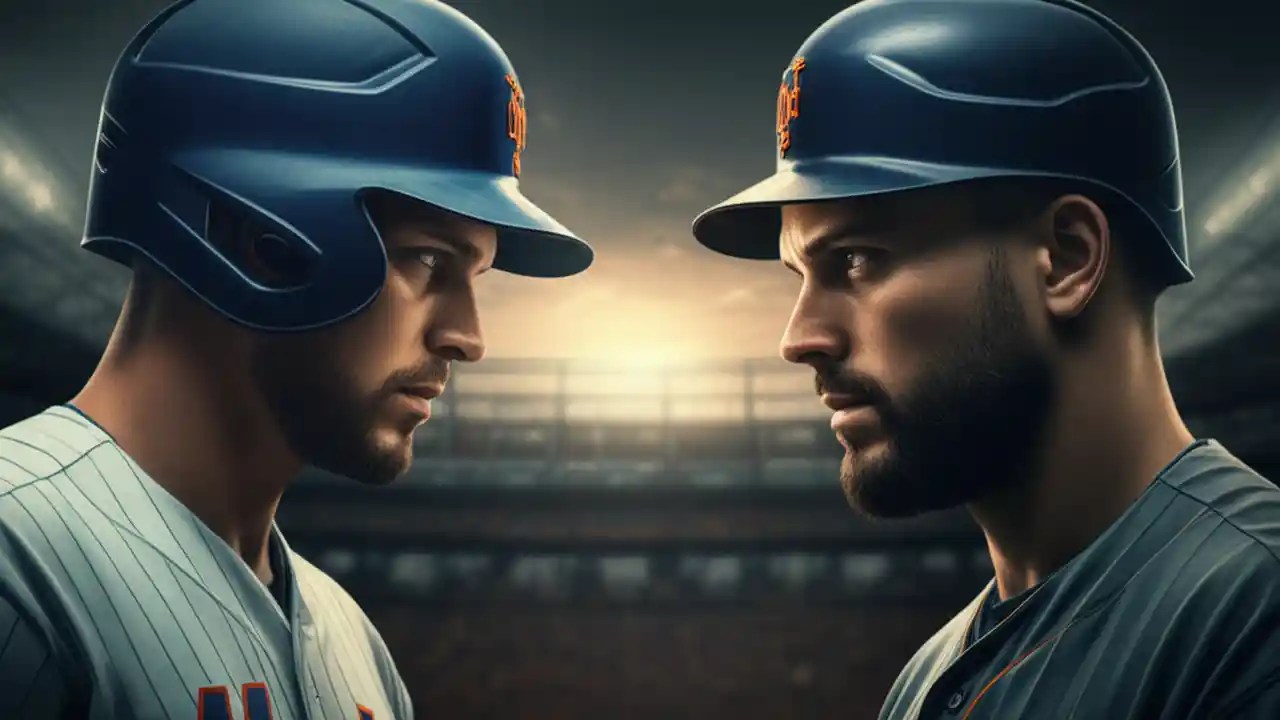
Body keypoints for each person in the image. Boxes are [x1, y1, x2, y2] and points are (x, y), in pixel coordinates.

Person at [0, 1, 592, 718]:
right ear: (262, 238)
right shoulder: (18, 564)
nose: (468, 338)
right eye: (429, 261)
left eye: (476, 280)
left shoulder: (352, 643)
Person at [692, 0, 1280, 717]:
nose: (799, 337)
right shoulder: (923, 682)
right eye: (800, 277)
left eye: (855, 260)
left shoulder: (1254, 611)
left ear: (1065, 259)